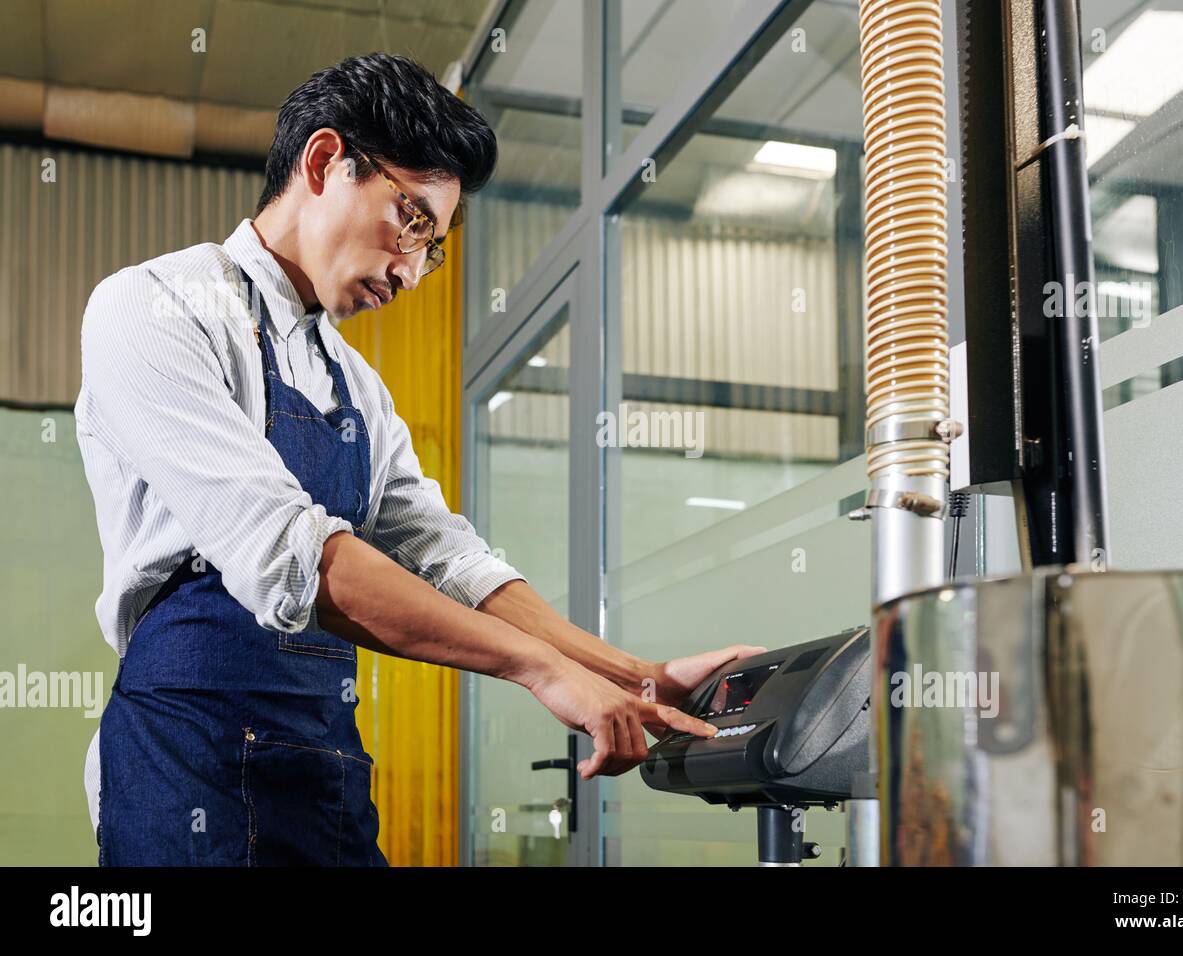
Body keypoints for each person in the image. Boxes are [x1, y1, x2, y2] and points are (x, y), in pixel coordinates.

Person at [76, 52, 761, 866]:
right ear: (326, 160)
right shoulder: (155, 307)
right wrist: (540, 670)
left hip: (323, 765)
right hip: (187, 765)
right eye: (410, 221)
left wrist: (636, 675)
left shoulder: (355, 384)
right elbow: (286, 554)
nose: (410, 270)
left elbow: (449, 558)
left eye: (431, 248)